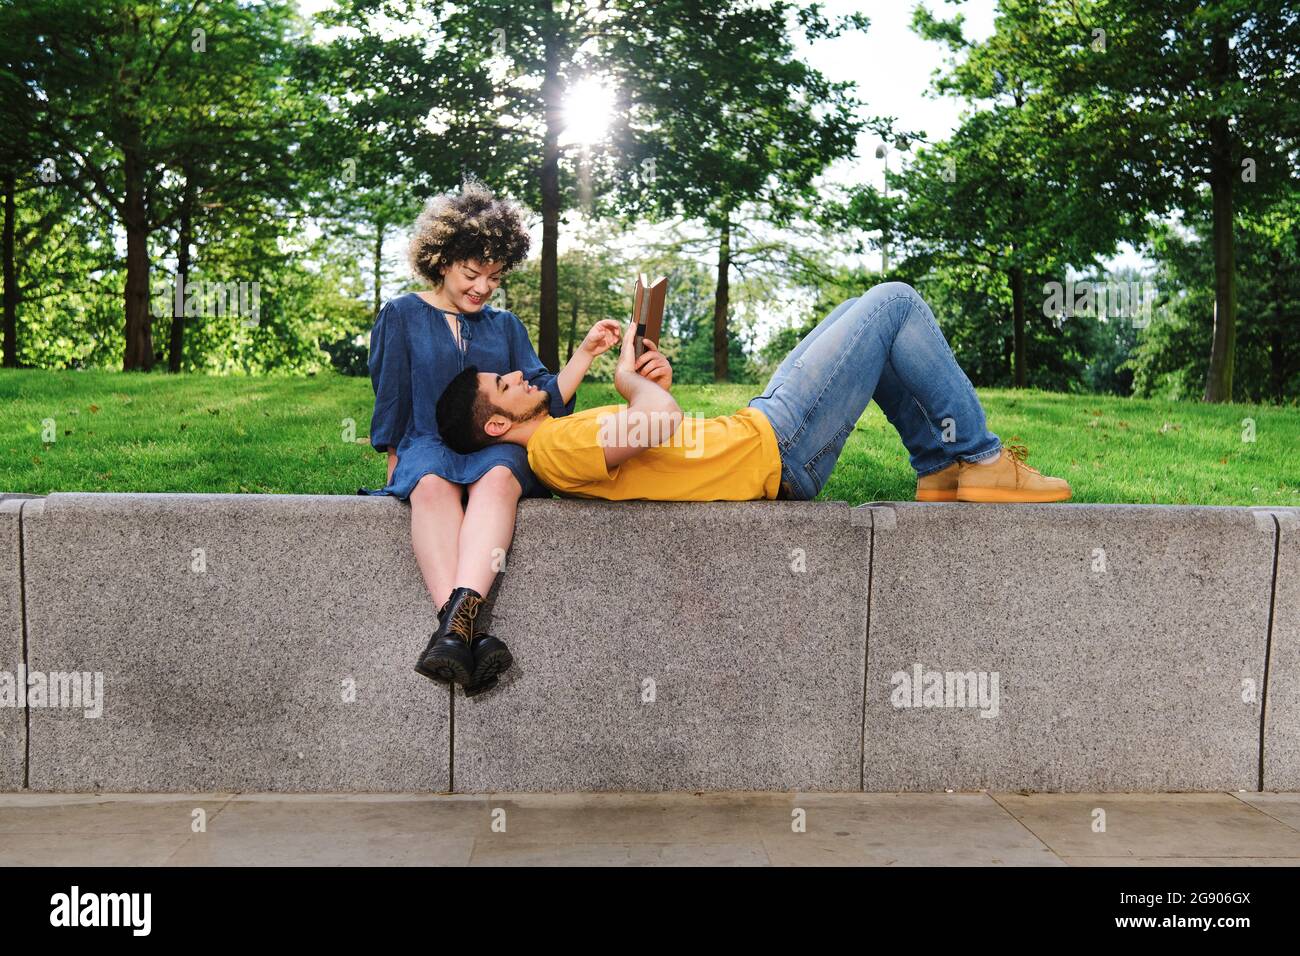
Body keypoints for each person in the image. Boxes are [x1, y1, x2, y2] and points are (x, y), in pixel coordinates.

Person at [433, 281, 1072, 508]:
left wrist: (653, 387)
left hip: (763, 432)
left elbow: (661, 429)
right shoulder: (553, 450)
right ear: (494, 426)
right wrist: (630, 385)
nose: (518, 376)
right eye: (503, 385)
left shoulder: (562, 441)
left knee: (864, 320)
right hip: (775, 444)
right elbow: (653, 428)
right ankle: (984, 461)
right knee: (893, 302)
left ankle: (940, 469)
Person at [357, 179, 621, 695]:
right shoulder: (402, 314)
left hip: (496, 445)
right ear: (440, 259)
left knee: (500, 478)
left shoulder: (505, 326)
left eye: (494, 277)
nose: (482, 287)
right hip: (427, 440)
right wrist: (395, 463)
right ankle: (466, 636)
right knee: (430, 484)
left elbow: (545, 394)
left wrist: (586, 353)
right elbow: (390, 394)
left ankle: (452, 636)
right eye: (471, 273)